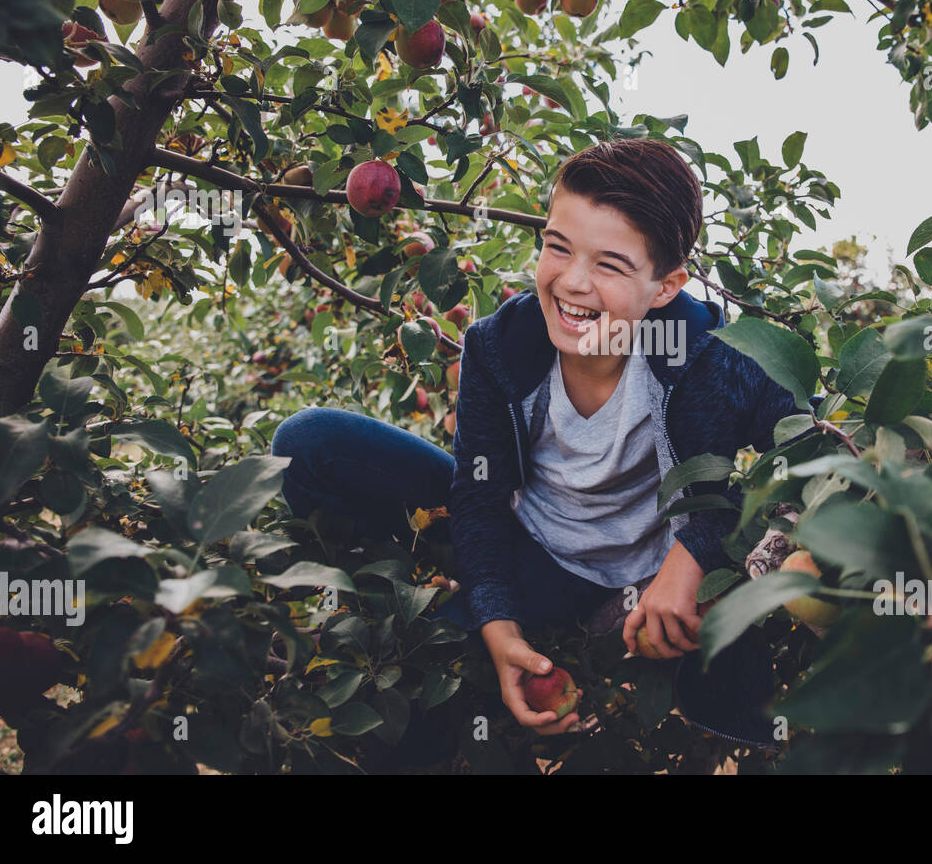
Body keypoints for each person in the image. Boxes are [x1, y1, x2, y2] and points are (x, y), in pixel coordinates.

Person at [271, 137, 819, 766]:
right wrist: (499, 626)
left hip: (636, 570)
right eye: (558, 246)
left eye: (610, 265)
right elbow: (478, 492)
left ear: (666, 286)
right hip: (530, 537)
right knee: (305, 443)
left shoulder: (709, 353)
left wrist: (694, 555)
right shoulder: (500, 344)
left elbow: (811, 446)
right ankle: (385, 583)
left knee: (426, 700)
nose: (573, 281)